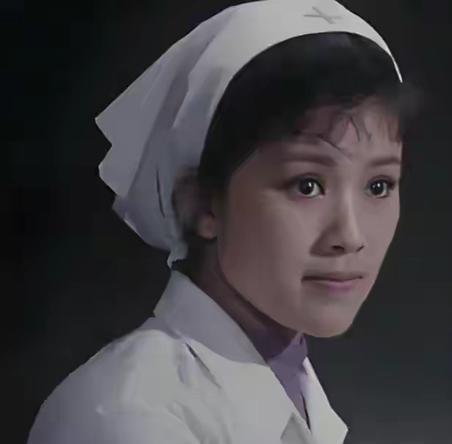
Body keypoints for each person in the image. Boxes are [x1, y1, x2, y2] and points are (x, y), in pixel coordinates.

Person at [27, 0, 420, 443]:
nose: (350, 235)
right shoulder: (126, 417)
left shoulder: (290, 383)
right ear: (203, 204)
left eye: (379, 186)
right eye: (307, 185)